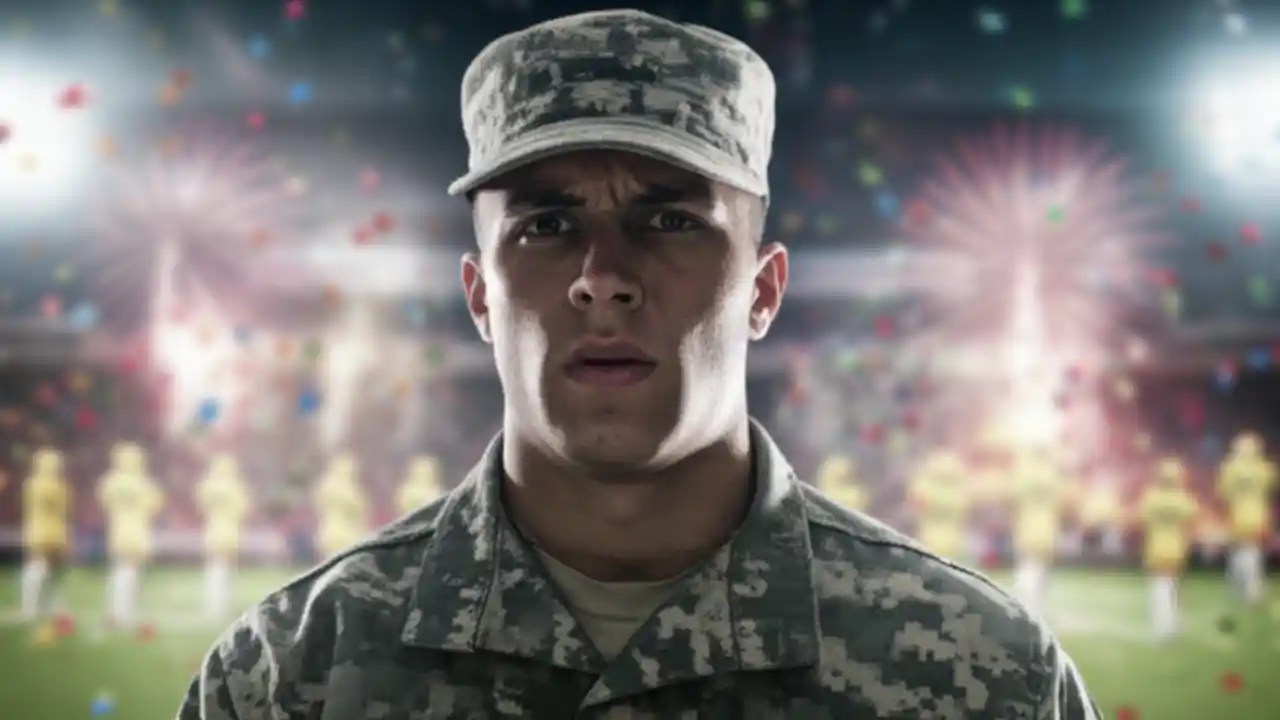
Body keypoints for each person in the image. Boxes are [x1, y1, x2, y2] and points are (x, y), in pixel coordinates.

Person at [181, 10, 1097, 718]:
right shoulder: (287, 677)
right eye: (546, 225)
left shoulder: (989, 675)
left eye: (670, 220)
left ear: (763, 289)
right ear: (480, 300)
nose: (603, 279)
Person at [99, 442, 163, 629]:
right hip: (137, 531)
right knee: (132, 572)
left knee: (119, 571)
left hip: (117, 530)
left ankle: (114, 611)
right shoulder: (143, 483)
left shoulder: (111, 481)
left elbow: (105, 503)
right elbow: (155, 506)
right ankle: (124, 613)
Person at [1139, 457, 1198, 641]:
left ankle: (1162, 626)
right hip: (1176, 547)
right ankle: (1171, 623)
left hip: (1157, 546)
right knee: (1172, 587)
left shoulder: (1151, 497)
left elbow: (1142, 519)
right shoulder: (1183, 498)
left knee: (1159, 587)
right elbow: (1192, 519)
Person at [1009, 446, 1069, 620]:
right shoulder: (1053, 475)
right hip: (1048, 528)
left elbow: (1013, 500)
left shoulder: (1024, 474)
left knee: (1027, 568)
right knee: (1043, 574)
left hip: (1027, 526)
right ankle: (1038, 613)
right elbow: (1063, 504)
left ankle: (1024, 609)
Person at [1217, 431, 1275, 604]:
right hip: (1258, 514)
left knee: (1242, 550)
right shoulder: (1265, 468)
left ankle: (1242, 587)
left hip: (1237, 514)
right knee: (1250, 551)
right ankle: (1248, 588)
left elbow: (1222, 492)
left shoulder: (1229, 467)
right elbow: (1269, 488)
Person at [195, 453, 251, 621]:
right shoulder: (235, 487)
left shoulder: (208, 486)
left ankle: (212, 605)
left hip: (213, 530)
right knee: (226, 570)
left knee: (213, 568)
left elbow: (200, 503)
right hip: (229, 531)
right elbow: (243, 509)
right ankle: (220, 607)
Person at [20, 447, 72, 621]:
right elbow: (64, 511)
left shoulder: (31, 484)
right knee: (45, 568)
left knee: (42, 568)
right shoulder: (58, 487)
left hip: (40, 529)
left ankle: (38, 606)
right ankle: (38, 606)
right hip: (51, 530)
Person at [906, 448, 972, 562]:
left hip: (928, 541)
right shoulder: (959, 491)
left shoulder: (924, 487)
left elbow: (914, 505)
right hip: (953, 543)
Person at [312, 453, 369, 559]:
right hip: (348, 534)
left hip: (328, 531)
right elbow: (360, 513)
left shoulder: (325, 485)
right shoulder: (353, 491)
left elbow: (318, 505)